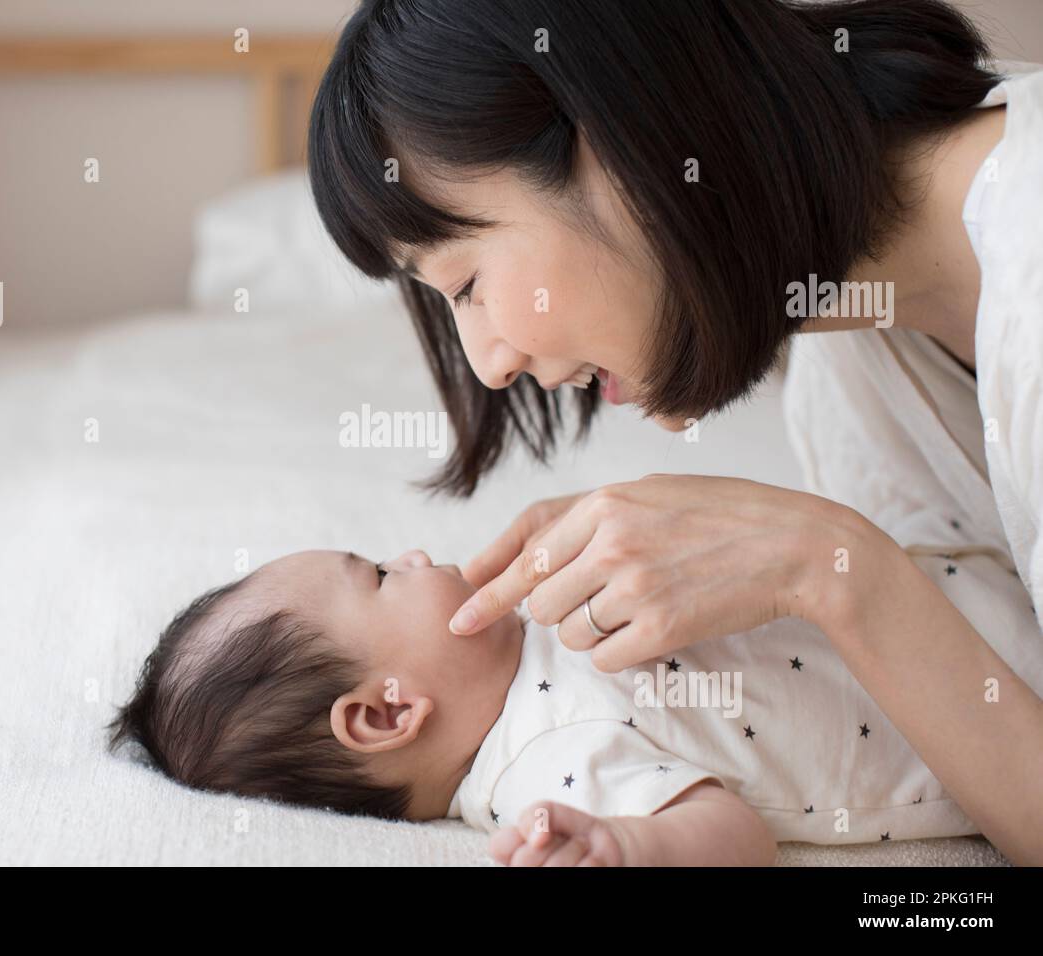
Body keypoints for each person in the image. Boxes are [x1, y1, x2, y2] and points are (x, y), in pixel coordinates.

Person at [306, 0, 1043, 862]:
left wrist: (823, 563)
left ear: (623, 141)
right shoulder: (848, 357)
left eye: (464, 283)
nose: (488, 366)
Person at [107, 541, 1040, 865]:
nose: (420, 555)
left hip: (971, 592)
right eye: (384, 574)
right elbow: (735, 840)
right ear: (389, 714)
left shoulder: (519, 645)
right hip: (997, 701)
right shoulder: (550, 763)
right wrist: (630, 847)